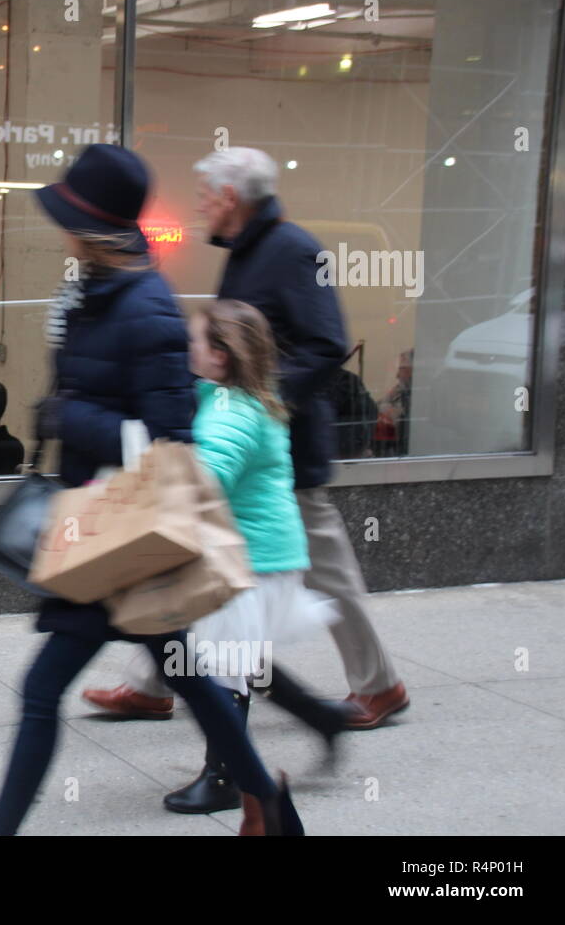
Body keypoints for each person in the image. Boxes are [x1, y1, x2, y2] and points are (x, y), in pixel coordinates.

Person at [0, 144, 301, 836]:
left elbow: (169, 438)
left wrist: (73, 418)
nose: (59, 229)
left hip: (122, 533)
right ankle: (266, 798)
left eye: (69, 217)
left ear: (94, 230)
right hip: (100, 520)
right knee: (186, 674)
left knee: (44, 687)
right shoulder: (93, 293)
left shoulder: (147, 308)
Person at [84, 148, 408, 742]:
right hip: (253, 442)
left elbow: (326, 342)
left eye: (206, 194)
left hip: (277, 456)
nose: (201, 204)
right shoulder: (249, 252)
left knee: (327, 575)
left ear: (230, 197)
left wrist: (258, 402)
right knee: (197, 566)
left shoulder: (291, 249)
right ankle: (158, 686)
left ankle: (378, 684)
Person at [135, 299, 350, 815]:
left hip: (250, 560)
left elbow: (209, 479)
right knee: (238, 659)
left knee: (222, 667)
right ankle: (322, 717)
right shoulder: (243, 397)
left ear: (221, 356)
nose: (189, 348)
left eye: (197, 342)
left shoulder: (232, 410)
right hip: (263, 553)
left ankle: (224, 777)